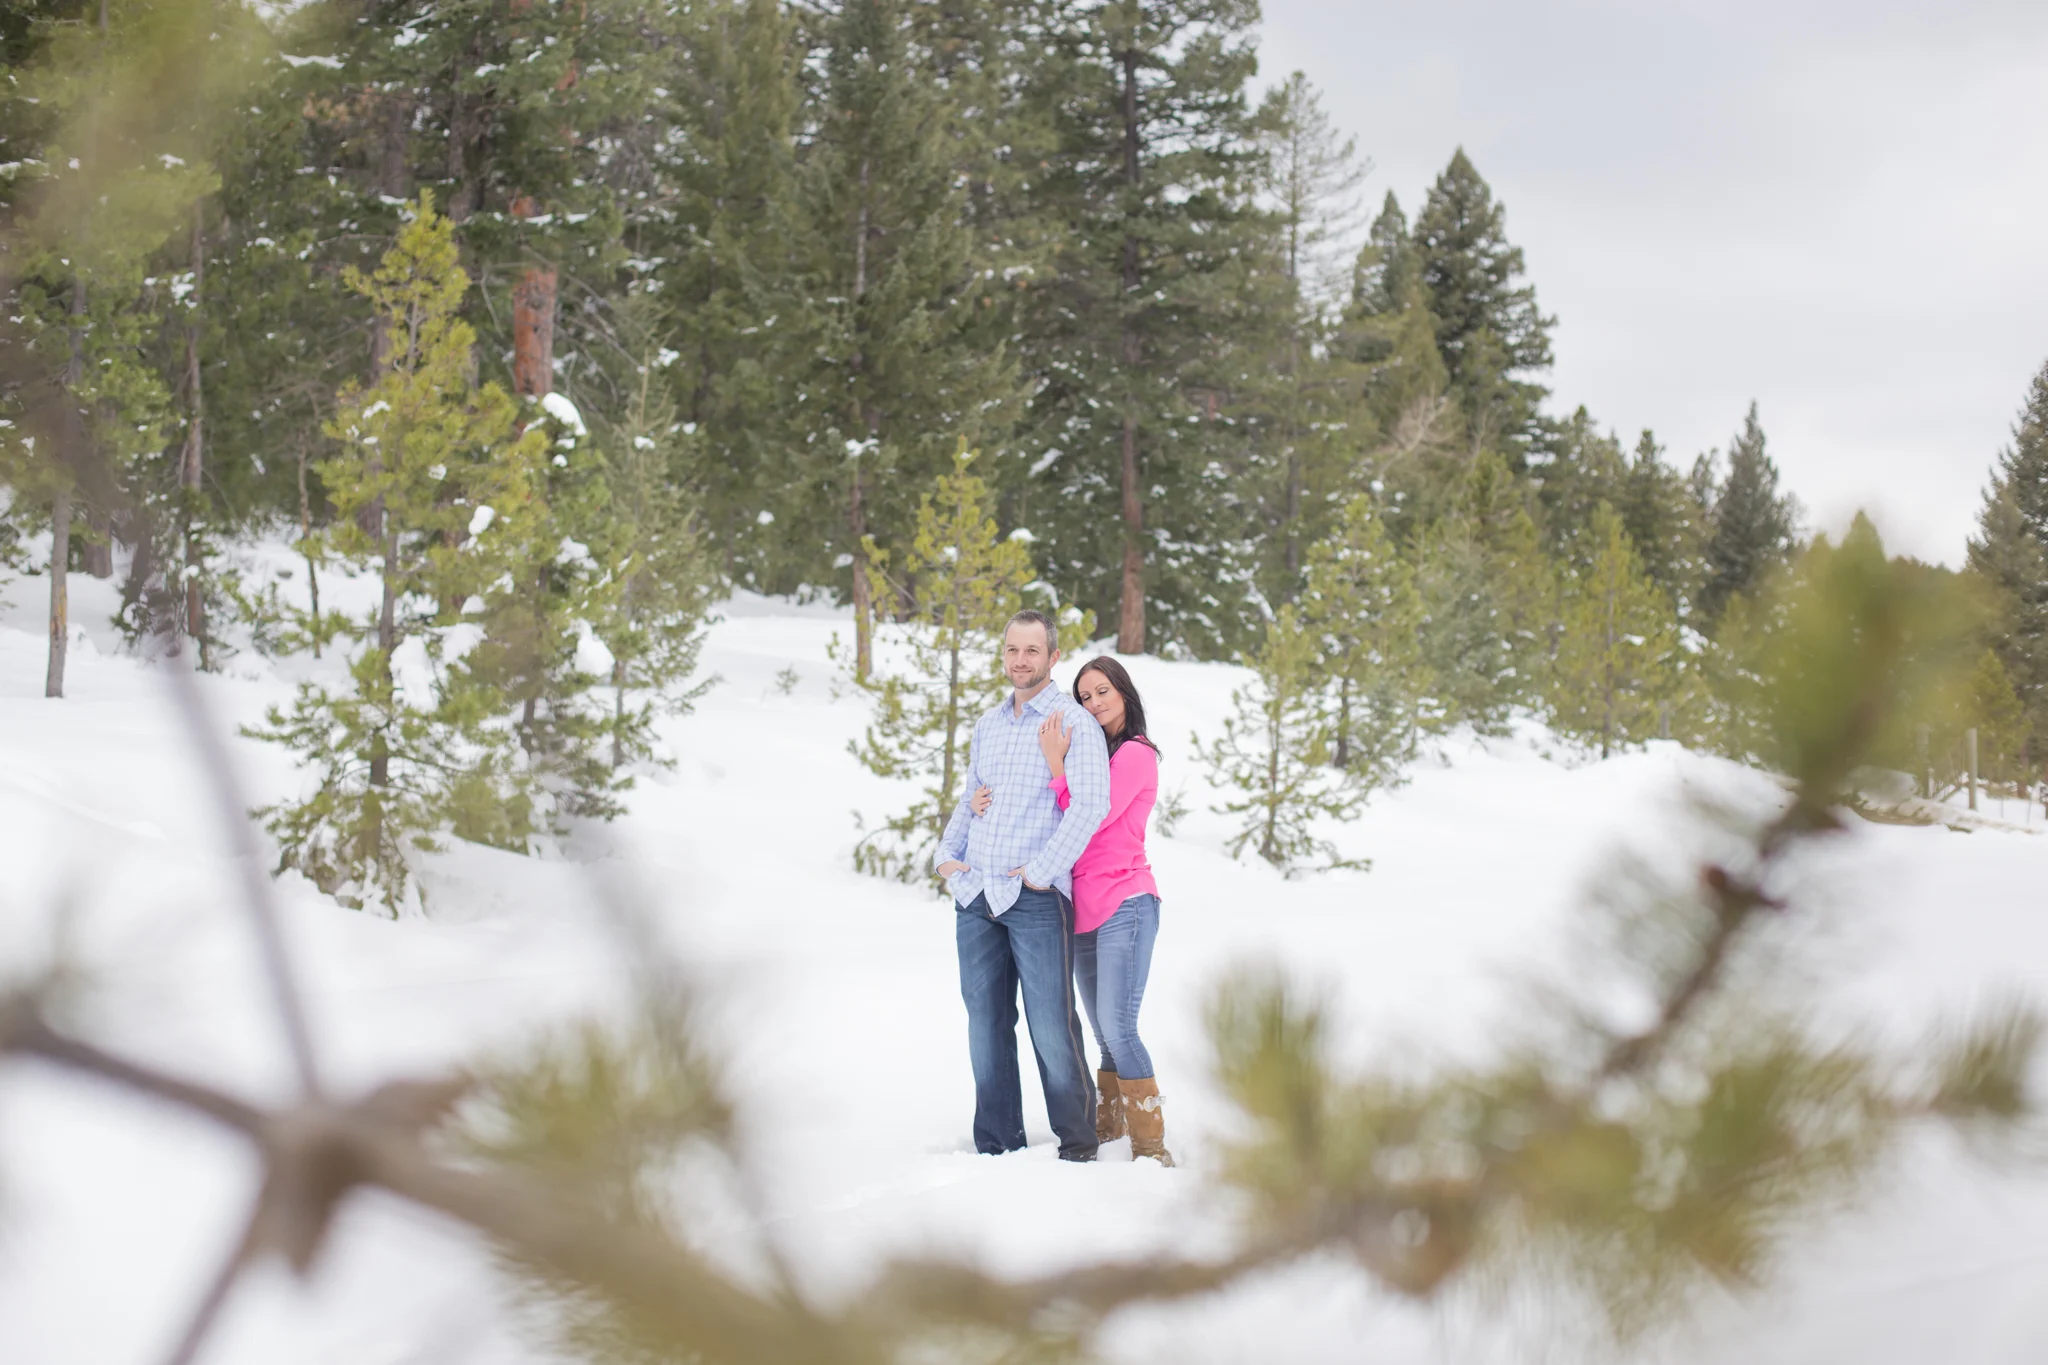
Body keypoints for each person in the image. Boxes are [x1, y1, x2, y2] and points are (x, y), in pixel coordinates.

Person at [973, 655, 1173, 1165]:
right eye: (1084, 696)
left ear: (1124, 692)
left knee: (1119, 1026)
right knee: (1105, 1033)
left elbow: (1094, 815)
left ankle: (1152, 1147)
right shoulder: (1096, 752)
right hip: (1084, 907)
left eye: (1102, 692)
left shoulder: (1135, 753)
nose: (1093, 704)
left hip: (1126, 900)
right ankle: (1109, 1129)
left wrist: (1058, 766)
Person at [933, 610, 1110, 1162]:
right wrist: (945, 857)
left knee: (1051, 1027)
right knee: (985, 1026)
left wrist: (1039, 872)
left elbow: (1091, 806)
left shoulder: (1071, 723)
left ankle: (1078, 1144)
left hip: (1034, 900)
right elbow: (971, 799)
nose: (1020, 660)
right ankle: (997, 1143)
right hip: (977, 896)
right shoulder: (988, 724)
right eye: (1012, 649)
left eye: (1032, 651)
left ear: (1053, 657)